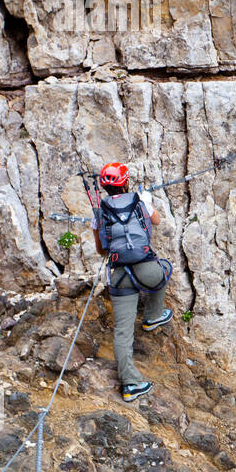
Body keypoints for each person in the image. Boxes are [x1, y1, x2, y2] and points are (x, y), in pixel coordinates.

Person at [91, 162, 173, 402]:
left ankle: (130, 385)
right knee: (165, 270)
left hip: (119, 275)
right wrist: (148, 201)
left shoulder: (100, 213)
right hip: (147, 268)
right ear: (125, 181)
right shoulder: (140, 200)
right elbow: (156, 221)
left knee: (123, 333)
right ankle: (152, 316)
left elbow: (100, 250)